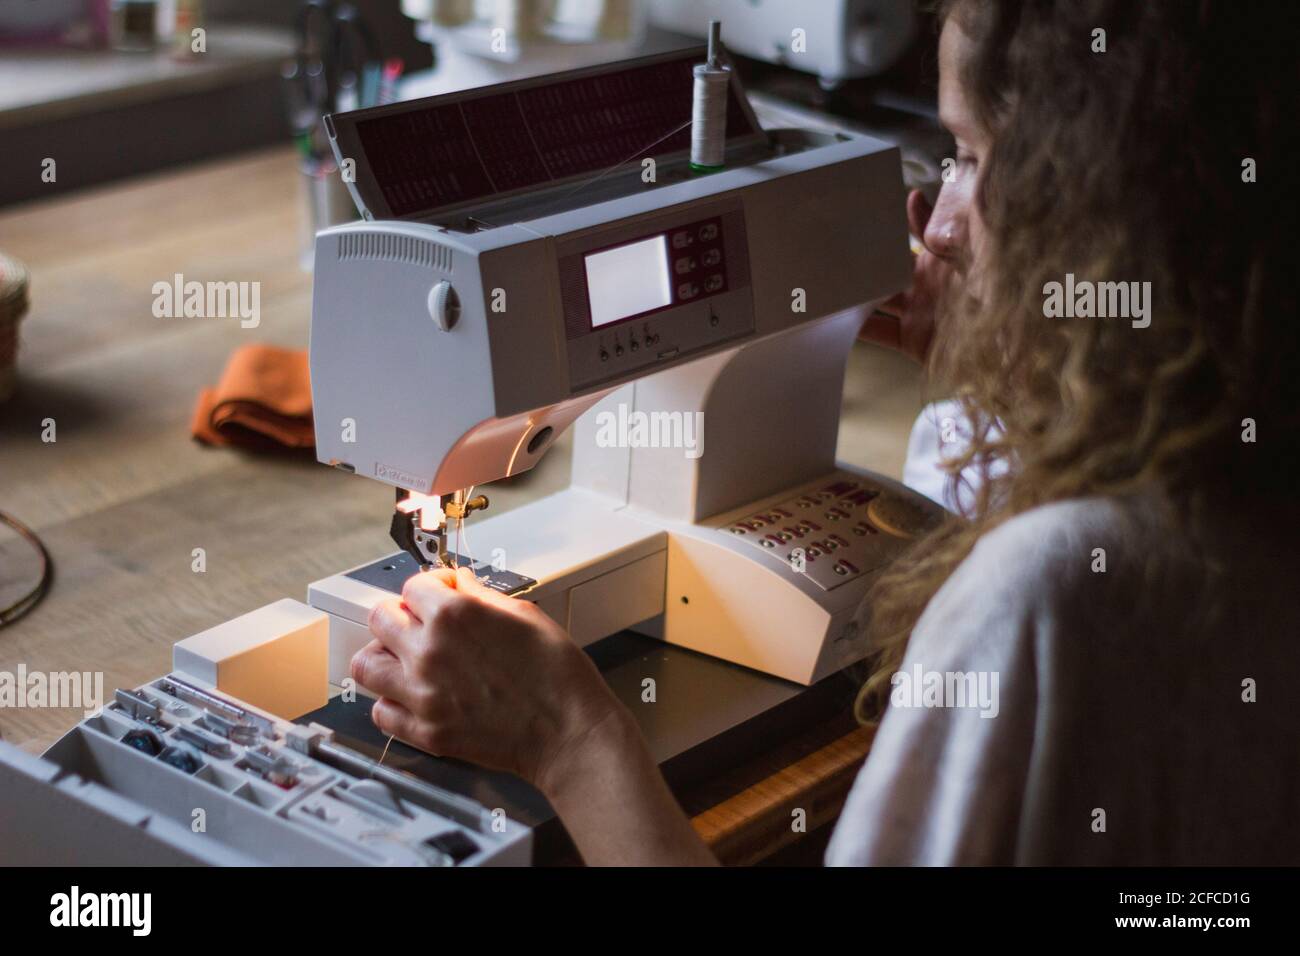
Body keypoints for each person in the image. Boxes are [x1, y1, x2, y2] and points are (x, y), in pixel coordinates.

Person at [351, 0, 1299, 865]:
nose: (941, 229)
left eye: (968, 156)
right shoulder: (1231, 479)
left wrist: (570, 735)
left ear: (1089, 207)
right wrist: (1014, 363)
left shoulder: (1041, 597)